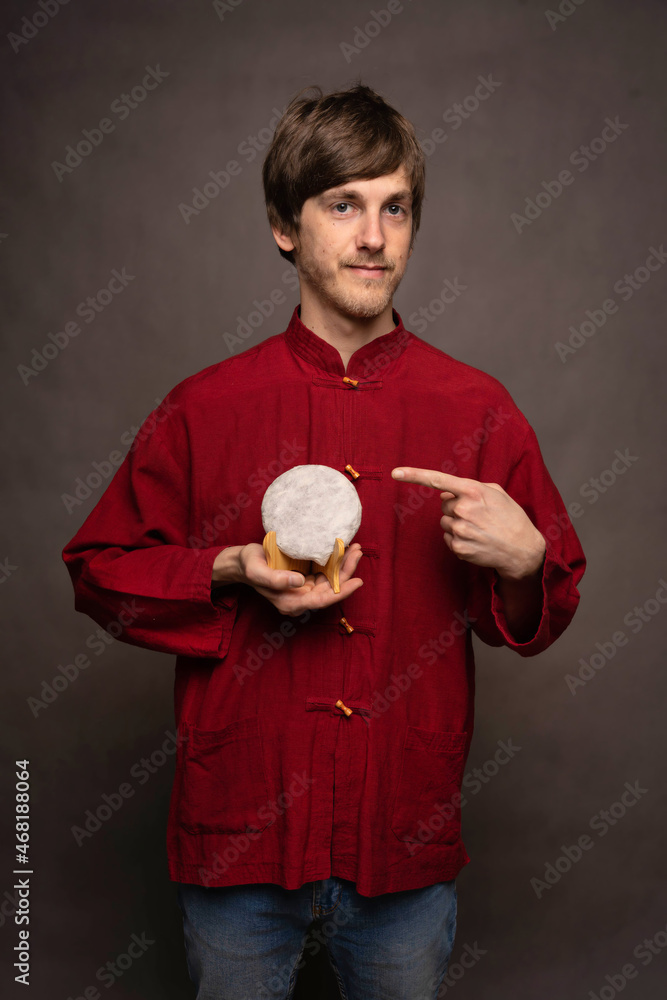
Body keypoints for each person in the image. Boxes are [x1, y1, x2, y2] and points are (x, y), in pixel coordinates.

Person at [62, 83, 586, 1000]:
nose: (373, 237)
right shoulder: (203, 407)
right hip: (240, 844)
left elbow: (546, 604)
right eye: (342, 205)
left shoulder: (478, 410)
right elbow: (98, 571)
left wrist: (527, 561)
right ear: (283, 227)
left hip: (402, 843)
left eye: (395, 208)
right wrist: (227, 570)